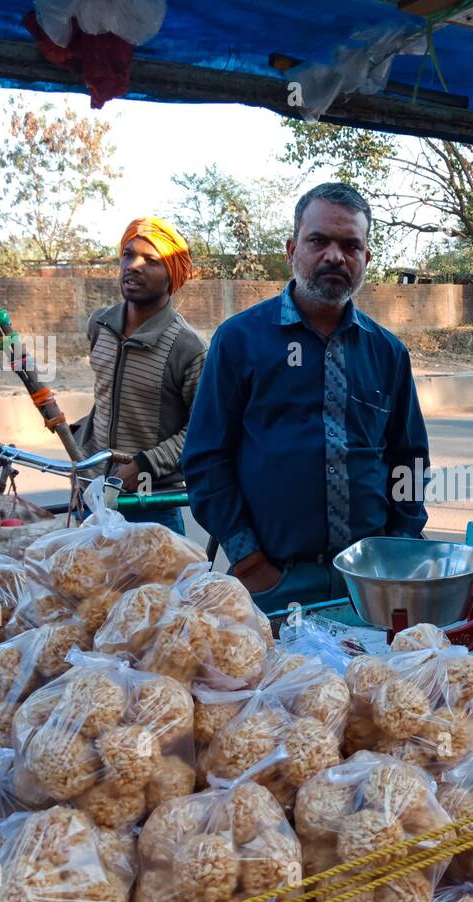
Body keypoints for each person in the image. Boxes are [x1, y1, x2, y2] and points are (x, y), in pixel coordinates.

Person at [183, 182, 430, 613]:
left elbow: (408, 460)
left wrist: (401, 547)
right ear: (291, 249)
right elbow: (206, 460)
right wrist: (250, 562)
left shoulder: (387, 352)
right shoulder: (240, 340)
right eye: (319, 241)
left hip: (369, 583)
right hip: (271, 584)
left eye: (351, 245)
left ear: (366, 260)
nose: (335, 256)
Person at [73, 217, 206, 534]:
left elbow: (204, 429)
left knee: (153, 586)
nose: (133, 265)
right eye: (128, 254)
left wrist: (143, 465)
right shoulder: (100, 325)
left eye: (151, 260)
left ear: (171, 275)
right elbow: (105, 400)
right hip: (92, 498)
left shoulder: (188, 348)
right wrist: (81, 453)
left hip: (151, 506)